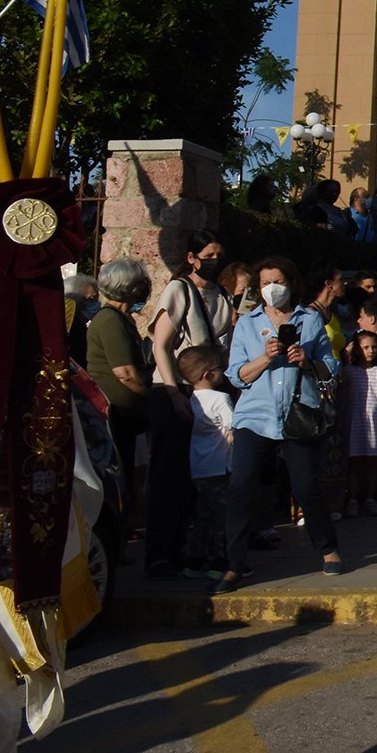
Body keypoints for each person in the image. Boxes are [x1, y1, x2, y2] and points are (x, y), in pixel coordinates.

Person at [217, 257, 344, 594]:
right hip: (255, 416)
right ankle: (234, 563)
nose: (272, 288)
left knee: (305, 486)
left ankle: (328, 549)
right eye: (265, 283)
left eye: (278, 281)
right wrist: (265, 358)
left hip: (297, 413)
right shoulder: (247, 324)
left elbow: (331, 366)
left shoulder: (311, 320)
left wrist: (307, 361)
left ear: (291, 283)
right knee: (241, 486)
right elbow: (236, 374)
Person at [144, 231, 234, 576]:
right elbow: (161, 345)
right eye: (209, 254)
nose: (215, 260)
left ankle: (193, 549)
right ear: (193, 257)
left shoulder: (223, 297)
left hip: (207, 390)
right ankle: (160, 553)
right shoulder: (179, 290)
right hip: (176, 389)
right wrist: (172, 392)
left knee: (202, 476)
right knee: (170, 474)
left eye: (219, 253)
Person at [87, 259, 153, 527]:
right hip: (115, 414)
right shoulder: (109, 321)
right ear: (129, 288)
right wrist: (152, 395)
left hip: (128, 416)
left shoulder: (121, 319)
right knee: (120, 475)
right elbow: (125, 372)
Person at [179, 346, 234, 581]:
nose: (222, 372)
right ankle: (219, 563)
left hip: (200, 467)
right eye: (218, 369)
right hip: (221, 465)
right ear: (207, 374)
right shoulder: (220, 398)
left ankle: (194, 560)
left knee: (202, 515)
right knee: (222, 517)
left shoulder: (190, 400)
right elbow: (234, 427)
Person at [342, 329, 377, 517]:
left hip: (374, 422)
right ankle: (352, 498)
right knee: (354, 462)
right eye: (366, 347)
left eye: (374, 347)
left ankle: (370, 498)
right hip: (354, 421)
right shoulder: (349, 371)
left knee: (372, 462)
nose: (370, 351)